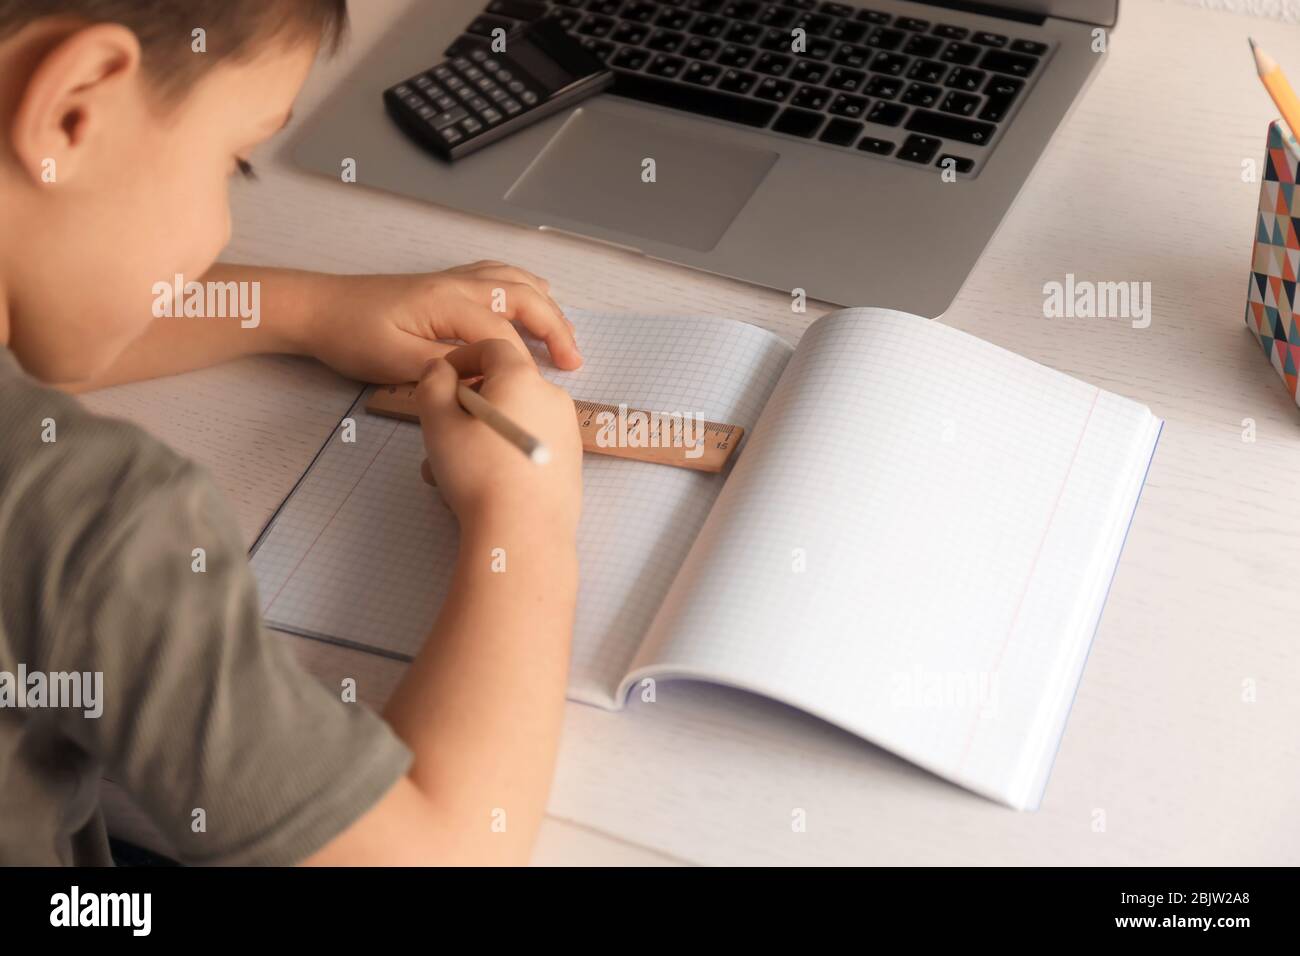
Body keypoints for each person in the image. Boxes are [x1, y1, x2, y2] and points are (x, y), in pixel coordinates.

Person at [0, 0, 585, 865]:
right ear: (74, 106)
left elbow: (36, 327)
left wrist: (308, 308)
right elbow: (445, 852)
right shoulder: (85, 516)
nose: (225, 221)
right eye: (235, 161)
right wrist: (526, 524)